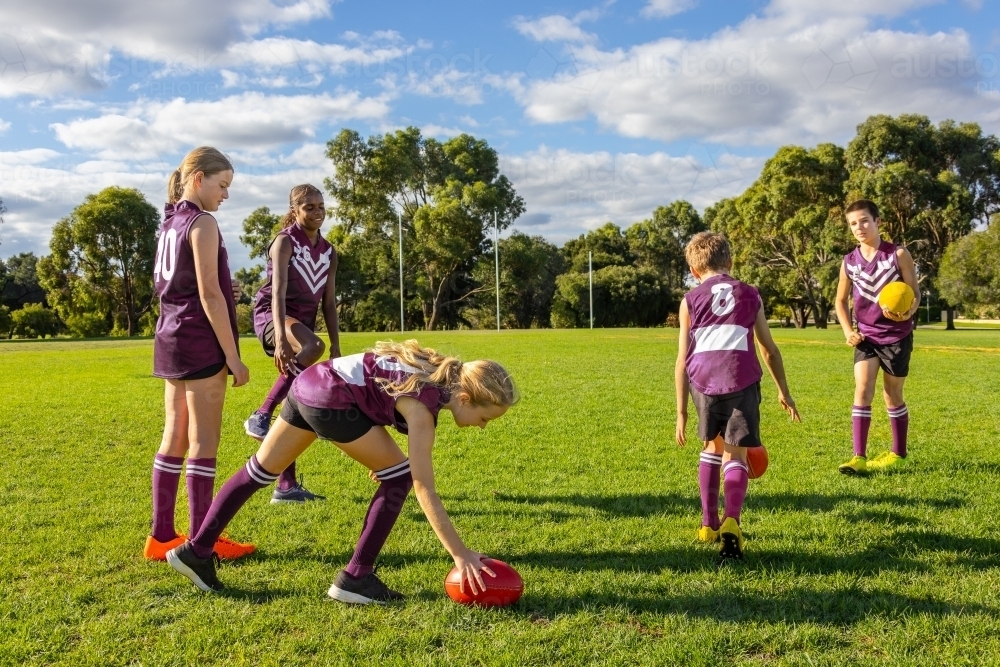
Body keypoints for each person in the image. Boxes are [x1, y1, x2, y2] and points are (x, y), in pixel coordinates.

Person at [167, 340, 517, 604]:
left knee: (259, 471)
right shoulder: (425, 408)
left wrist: (379, 459)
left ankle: (196, 551)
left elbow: (372, 385)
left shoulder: (437, 371)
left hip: (309, 383)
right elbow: (424, 487)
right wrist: (461, 554)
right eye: (485, 419)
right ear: (467, 398)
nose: (483, 427)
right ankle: (356, 578)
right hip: (330, 399)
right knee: (400, 477)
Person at [145, 146, 255, 562]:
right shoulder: (203, 221)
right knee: (203, 441)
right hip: (201, 340)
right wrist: (234, 356)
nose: (225, 194)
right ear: (198, 179)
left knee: (173, 436)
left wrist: (229, 290)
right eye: (222, 185)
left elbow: (182, 283)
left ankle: (160, 537)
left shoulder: (170, 222)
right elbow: (208, 294)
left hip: (169, 337)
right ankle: (200, 540)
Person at [675, 231, 801, 560]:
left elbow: (681, 359)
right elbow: (769, 350)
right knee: (737, 456)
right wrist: (783, 391)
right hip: (742, 378)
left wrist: (681, 412)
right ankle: (732, 521)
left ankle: (707, 523)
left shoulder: (689, 300)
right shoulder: (750, 294)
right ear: (730, 262)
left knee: (711, 449)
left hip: (703, 380)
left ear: (693, 269)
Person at [243, 184, 340, 504]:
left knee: (297, 400)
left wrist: (338, 346)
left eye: (321, 206)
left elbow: (328, 303)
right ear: (295, 210)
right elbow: (278, 293)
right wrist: (282, 339)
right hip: (273, 317)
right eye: (309, 207)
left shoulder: (328, 251)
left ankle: (286, 486)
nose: (317, 212)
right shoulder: (285, 241)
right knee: (314, 347)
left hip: (301, 327)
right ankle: (261, 413)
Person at [835, 199, 919, 475]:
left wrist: (907, 313)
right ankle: (858, 456)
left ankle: (899, 453)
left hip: (896, 337)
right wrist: (849, 331)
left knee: (892, 395)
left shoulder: (898, 255)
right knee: (862, 389)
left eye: (864, 221)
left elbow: (914, 294)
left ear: (877, 221)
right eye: (853, 224)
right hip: (866, 338)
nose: (859, 227)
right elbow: (840, 300)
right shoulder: (849, 262)